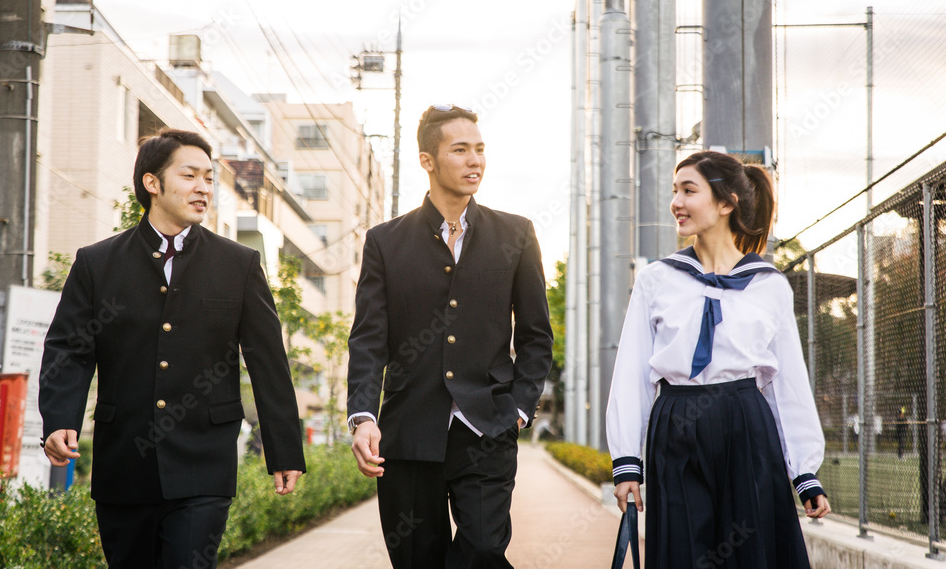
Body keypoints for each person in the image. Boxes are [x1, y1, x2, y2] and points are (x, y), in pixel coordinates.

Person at [39, 129, 306, 569]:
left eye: (208, 178)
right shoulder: (97, 262)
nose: (203, 187)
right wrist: (59, 418)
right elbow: (69, 349)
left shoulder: (237, 265)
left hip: (204, 462)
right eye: (190, 176)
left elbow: (268, 362)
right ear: (152, 183)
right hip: (123, 462)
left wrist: (284, 450)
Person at [346, 104, 554, 568]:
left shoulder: (516, 234)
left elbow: (537, 335)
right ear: (428, 160)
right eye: (459, 150)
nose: (474, 160)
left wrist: (519, 408)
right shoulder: (385, 241)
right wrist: (362, 416)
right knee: (417, 557)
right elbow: (368, 339)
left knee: (482, 549)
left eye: (480, 149)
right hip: (408, 430)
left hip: (487, 425)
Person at [605, 150, 831, 569]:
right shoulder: (658, 279)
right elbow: (633, 371)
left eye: (689, 191)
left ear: (727, 203)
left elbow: (787, 383)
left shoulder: (769, 285)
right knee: (682, 551)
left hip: (745, 423)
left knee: (749, 551)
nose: (676, 202)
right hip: (676, 424)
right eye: (675, 191)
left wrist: (804, 471)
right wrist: (626, 463)